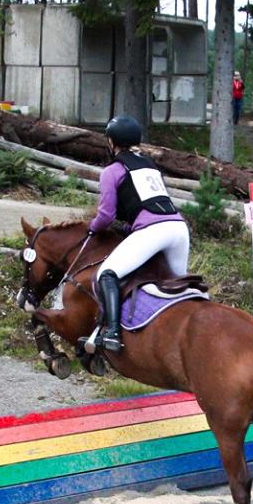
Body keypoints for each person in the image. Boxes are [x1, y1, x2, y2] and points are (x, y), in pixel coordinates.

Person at [87, 114, 189, 355]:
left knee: (107, 274)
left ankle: (112, 334)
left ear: (111, 142)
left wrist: (92, 227)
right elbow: (148, 204)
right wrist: (130, 228)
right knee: (179, 289)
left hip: (154, 232)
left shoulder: (112, 171)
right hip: (179, 229)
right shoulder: (150, 166)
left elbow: (106, 215)